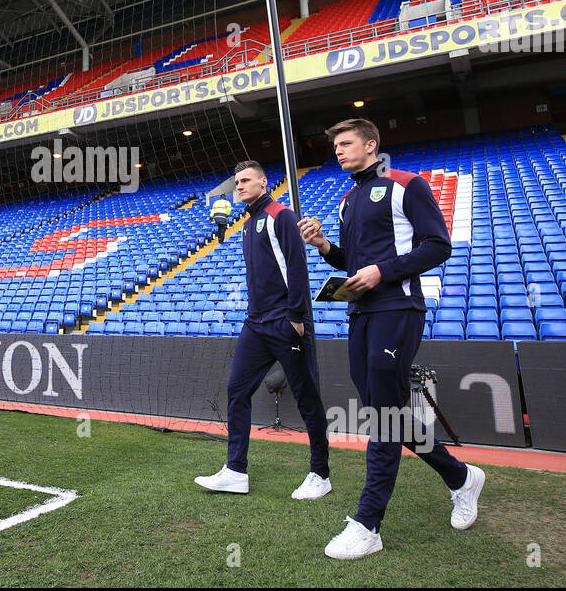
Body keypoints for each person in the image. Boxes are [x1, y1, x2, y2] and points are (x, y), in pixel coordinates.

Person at [299, 118, 484, 559]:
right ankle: (461, 478)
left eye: (346, 144)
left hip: (398, 310)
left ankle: (367, 524)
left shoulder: (406, 185)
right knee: (390, 415)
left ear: (371, 145)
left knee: (382, 416)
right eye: (335, 146)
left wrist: (384, 271)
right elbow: (352, 262)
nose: (338, 151)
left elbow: (438, 245)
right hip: (359, 313)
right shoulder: (346, 200)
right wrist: (325, 245)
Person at [195, 160, 331, 500]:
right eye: (236, 181)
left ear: (263, 182)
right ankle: (235, 470)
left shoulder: (280, 216)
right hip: (255, 324)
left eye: (245, 180)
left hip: (286, 322)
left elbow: (297, 267)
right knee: (237, 390)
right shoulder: (246, 223)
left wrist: (297, 316)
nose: (239, 186)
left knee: (306, 397)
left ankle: (320, 473)